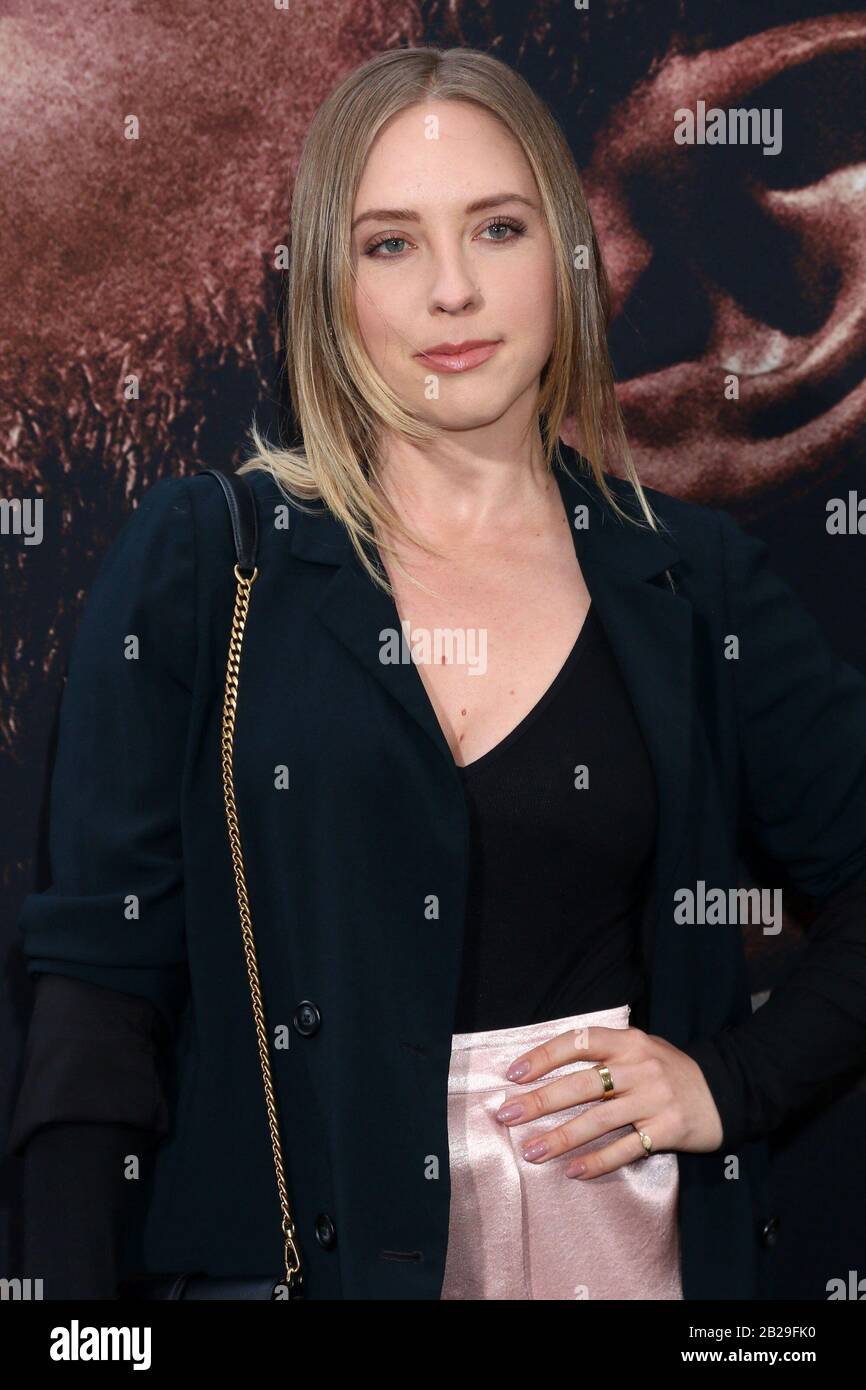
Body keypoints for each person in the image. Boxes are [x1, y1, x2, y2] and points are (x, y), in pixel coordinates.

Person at [7, 46, 866, 1301]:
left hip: (614, 1260)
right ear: (327, 285)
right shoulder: (209, 563)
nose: (452, 291)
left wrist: (728, 1084)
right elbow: (96, 994)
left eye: (498, 228)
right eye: (389, 244)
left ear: (569, 254)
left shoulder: (691, 585)